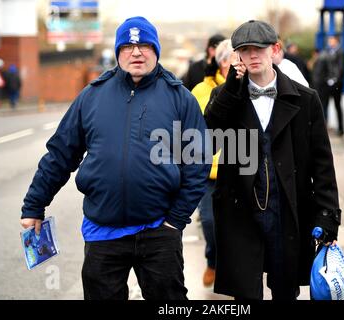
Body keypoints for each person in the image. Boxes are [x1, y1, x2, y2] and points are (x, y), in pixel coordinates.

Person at [20, 16, 211, 300]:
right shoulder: (91, 96)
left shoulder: (179, 98)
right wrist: (34, 205)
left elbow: (197, 162)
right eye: (129, 46)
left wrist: (176, 219)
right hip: (102, 233)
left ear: (156, 50)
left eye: (145, 45)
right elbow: (61, 154)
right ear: (118, 51)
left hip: (159, 231)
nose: (136, 52)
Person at [204, 20, 341, 300]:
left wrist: (328, 216)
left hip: (288, 211)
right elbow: (208, 141)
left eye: (259, 49)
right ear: (237, 56)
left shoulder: (306, 99)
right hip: (241, 213)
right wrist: (231, 90)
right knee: (245, 292)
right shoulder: (225, 95)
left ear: (275, 50)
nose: (252, 55)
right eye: (245, 50)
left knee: (285, 291)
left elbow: (323, 164)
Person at [191, 39, 243, 287]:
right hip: (207, 172)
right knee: (210, 223)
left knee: (236, 227)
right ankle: (212, 260)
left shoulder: (247, 86)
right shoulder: (201, 90)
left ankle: (234, 271)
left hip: (238, 169)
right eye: (228, 59)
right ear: (220, 62)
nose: (232, 64)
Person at [316, 35, 344, 136]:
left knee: (337, 105)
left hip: (336, 83)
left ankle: (341, 128)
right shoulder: (328, 51)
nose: (329, 42)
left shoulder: (340, 52)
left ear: (336, 40)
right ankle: (324, 127)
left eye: (331, 40)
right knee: (325, 105)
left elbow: (340, 67)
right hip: (328, 82)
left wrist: (335, 79)